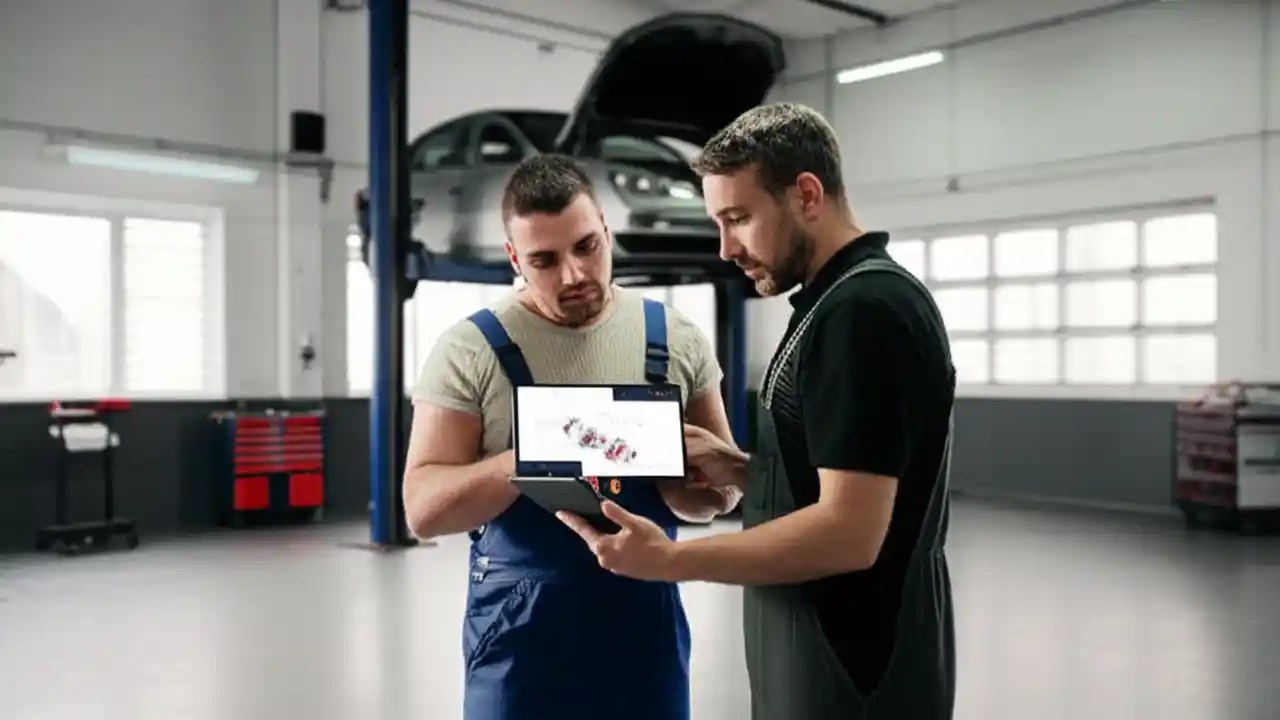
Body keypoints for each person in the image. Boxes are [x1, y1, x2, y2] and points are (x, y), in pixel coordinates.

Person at [557, 102, 957, 719]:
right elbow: (854, 471)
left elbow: (849, 533)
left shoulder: (864, 312)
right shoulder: (831, 305)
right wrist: (745, 469)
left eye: (738, 218)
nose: (725, 248)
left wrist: (670, 560)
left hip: (855, 667)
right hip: (817, 654)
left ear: (806, 194)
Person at [403, 153, 740, 720]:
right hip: (518, 632)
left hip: (643, 623)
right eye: (545, 260)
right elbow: (423, 511)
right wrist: (534, 452)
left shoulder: (675, 339)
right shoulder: (471, 350)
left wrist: (686, 478)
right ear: (515, 258)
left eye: (587, 247)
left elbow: (716, 498)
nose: (575, 275)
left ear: (607, 230)